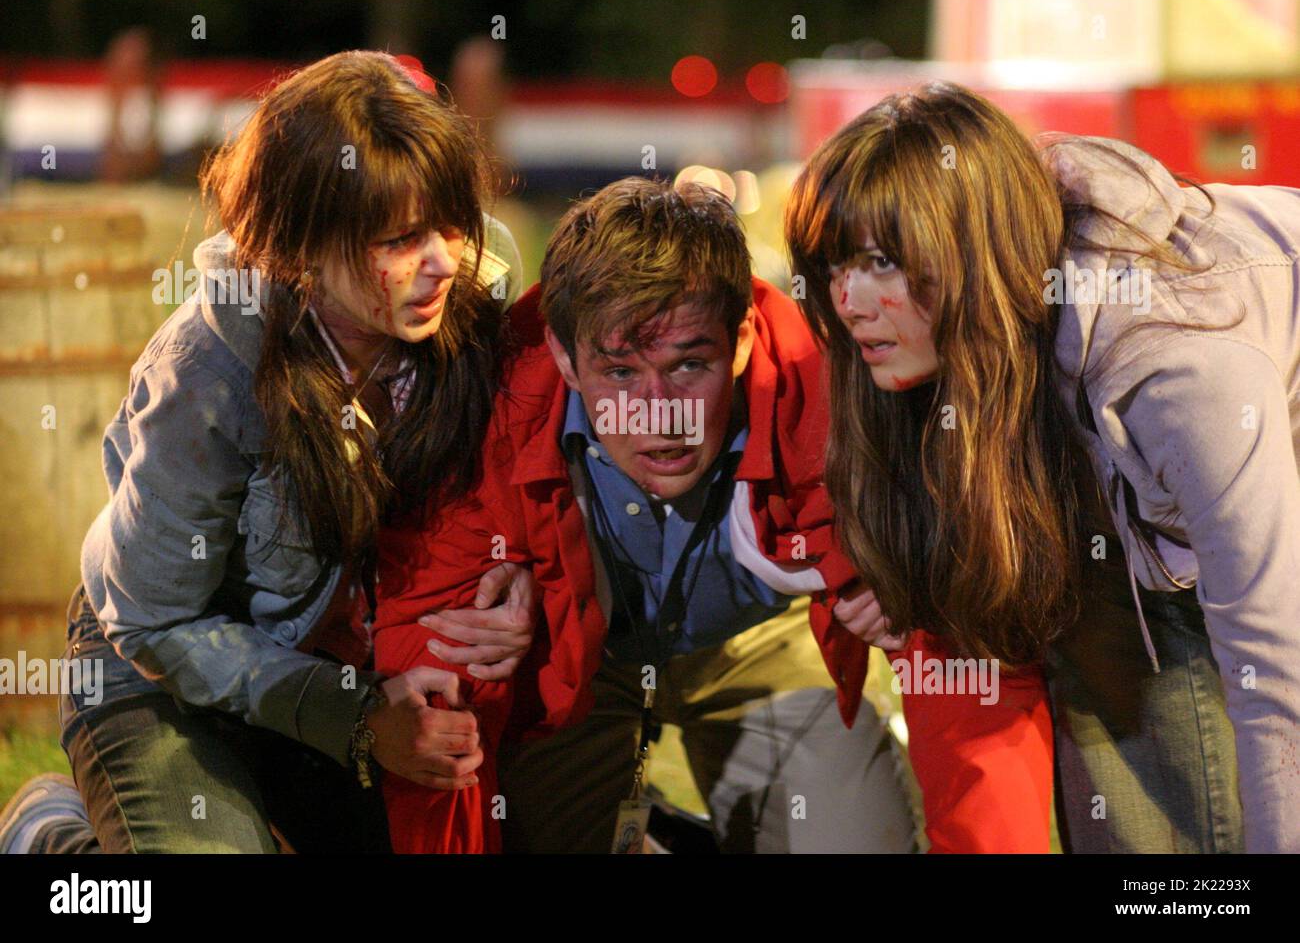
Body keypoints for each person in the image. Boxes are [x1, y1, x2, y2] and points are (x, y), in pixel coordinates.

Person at [374, 177, 1055, 854]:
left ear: (742, 341)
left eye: (688, 364)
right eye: (619, 373)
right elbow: (424, 650)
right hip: (577, 654)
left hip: (759, 646)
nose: (657, 411)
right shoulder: (492, 403)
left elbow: (972, 658)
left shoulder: (830, 393)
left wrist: (905, 583)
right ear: (562, 357)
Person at [0, 50, 529, 854]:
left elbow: (530, 479)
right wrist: (356, 719)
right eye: (400, 238)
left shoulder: (476, 301)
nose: (444, 261)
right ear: (300, 247)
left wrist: (519, 580)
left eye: (453, 224)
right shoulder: (210, 371)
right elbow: (155, 621)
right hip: (162, 673)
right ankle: (54, 846)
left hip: (345, 673)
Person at [784, 81, 1300, 853]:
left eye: (884, 262)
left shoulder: (1171, 370)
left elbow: (1276, 664)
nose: (848, 299)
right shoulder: (977, 328)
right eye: (836, 265)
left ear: (972, 250)